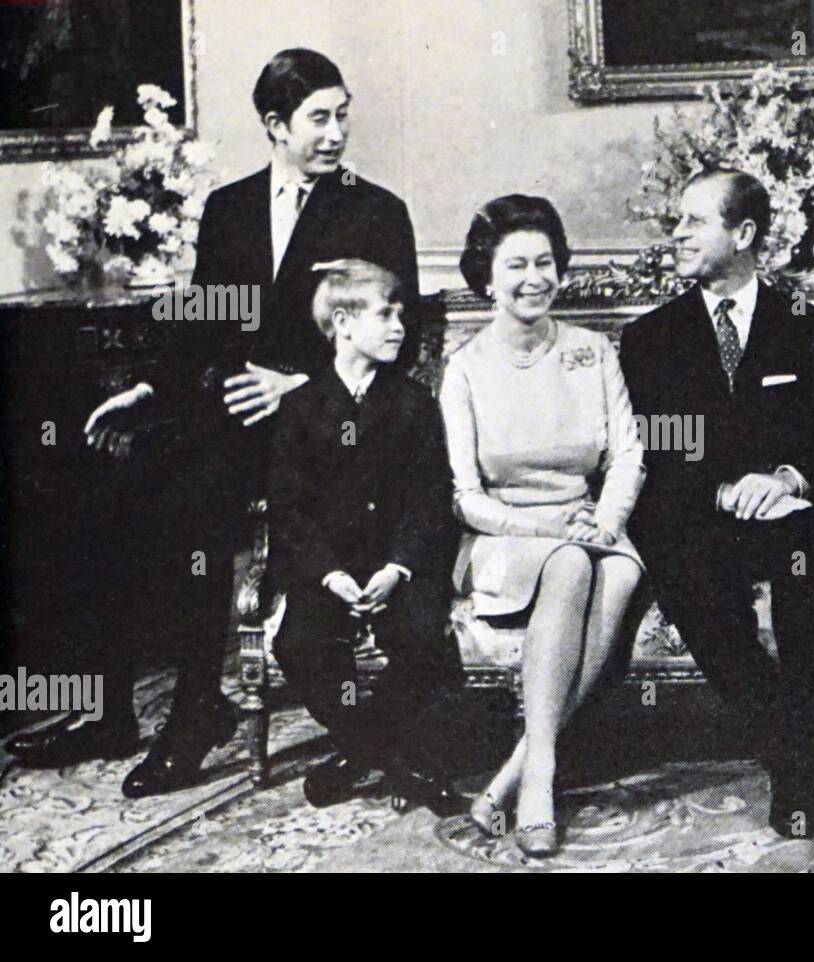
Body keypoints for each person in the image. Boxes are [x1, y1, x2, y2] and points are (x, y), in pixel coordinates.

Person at [7, 49, 423, 796]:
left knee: (193, 513)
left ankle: (196, 709)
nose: (336, 133)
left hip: (328, 434)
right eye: (318, 118)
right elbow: (205, 319)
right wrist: (144, 389)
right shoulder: (231, 208)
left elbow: (406, 342)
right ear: (274, 124)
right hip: (229, 420)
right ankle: (106, 710)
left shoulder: (375, 211)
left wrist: (298, 386)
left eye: (342, 115)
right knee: (100, 501)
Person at [618, 168, 814, 847]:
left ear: (745, 233)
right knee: (690, 574)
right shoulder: (650, 337)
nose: (676, 233)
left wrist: (787, 478)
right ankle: (810, 764)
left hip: (789, 513)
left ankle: (799, 769)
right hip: (693, 514)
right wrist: (722, 486)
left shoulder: (811, 329)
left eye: (694, 221)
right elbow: (656, 441)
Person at [439, 195, 645, 858]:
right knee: (570, 563)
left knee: (611, 571)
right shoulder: (465, 368)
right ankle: (540, 780)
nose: (536, 277)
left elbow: (628, 453)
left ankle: (513, 773)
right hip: (503, 538)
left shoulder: (592, 351)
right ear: (487, 278)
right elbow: (464, 497)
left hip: (590, 527)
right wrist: (545, 529)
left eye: (546, 262)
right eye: (517, 264)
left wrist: (608, 522)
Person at [268, 260, 461, 809]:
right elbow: (288, 509)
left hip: (400, 565)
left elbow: (430, 496)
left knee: (424, 640)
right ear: (344, 322)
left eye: (402, 313)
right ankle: (396, 758)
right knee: (297, 645)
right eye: (386, 314)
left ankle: (361, 752)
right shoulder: (300, 408)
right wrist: (329, 575)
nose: (400, 325)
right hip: (328, 571)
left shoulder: (414, 404)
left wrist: (397, 567)